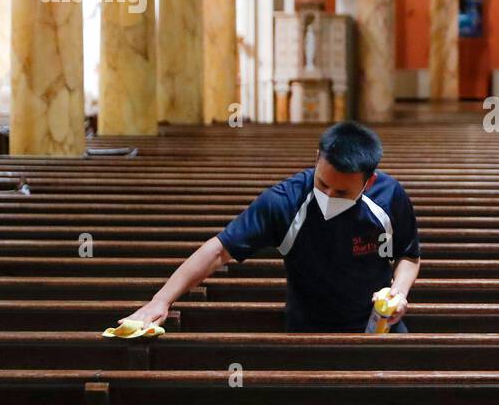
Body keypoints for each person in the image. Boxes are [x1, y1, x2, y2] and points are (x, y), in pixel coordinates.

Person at [128, 122, 420, 332]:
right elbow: (219, 251)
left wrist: (399, 292)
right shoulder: (284, 201)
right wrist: (161, 300)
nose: (328, 196)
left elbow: (408, 254)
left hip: (377, 326)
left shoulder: (389, 197)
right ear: (316, 159)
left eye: (341, 193)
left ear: (368, 182)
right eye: (322, 184)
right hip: (307, 331)